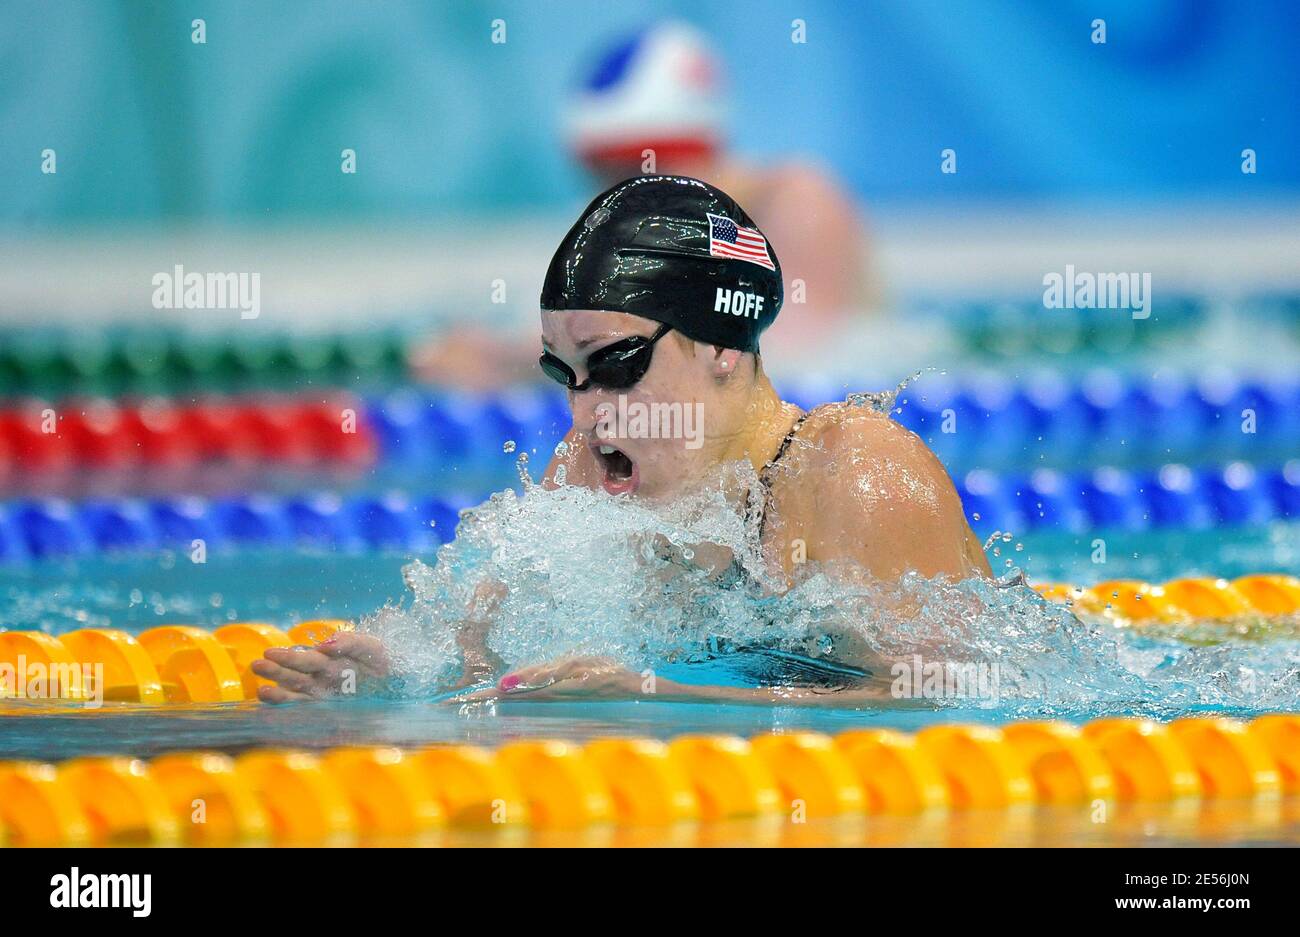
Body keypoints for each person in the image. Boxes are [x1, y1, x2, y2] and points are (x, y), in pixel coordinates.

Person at [253, 175, 987, 705]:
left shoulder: (851, 474)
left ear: (721, 345)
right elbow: (485, 652)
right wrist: (398, 679)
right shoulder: (590, 471)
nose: (584, 414)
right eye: (563, 373)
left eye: (616, 364)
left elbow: (947, 697)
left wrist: (657, 692)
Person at [413, 21, 873, 389]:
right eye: (604, 173)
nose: (622, 195)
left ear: (696, 150)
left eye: (636, 167)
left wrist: (507, 359)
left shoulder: (794, 197)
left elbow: (792, 351)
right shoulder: (641, 241)